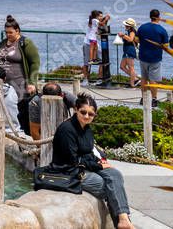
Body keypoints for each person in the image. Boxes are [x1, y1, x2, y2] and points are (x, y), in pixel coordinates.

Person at [50, 93, 134, 229]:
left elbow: (88, 153)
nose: (86, 116)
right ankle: (124, 221)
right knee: (108, 186)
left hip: (84, 167)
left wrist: (100, 162)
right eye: (83, 112)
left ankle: (123, 220)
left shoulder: (87, 129)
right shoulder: (67, 130)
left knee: (115, 175)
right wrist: (98, 165)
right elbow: (72, 160)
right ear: (76, 109)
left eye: (91, 114)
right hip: (68, 171)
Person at [0, 16, 40, 133]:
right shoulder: (3, 43)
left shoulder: (25, 43)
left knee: (18, 110)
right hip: (0, 82)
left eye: (11, 32)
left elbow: (35, 63)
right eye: (6, 32)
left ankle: (20, 134)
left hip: (19, 83)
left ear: (17, 31)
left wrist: (31, 82)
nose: (8, 35)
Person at [135, 9, 170, 107]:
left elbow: (136, 40)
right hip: (155, 57)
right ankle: (154, 99)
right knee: (153, 80)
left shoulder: (142, 27)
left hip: (143, 56)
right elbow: (166, 46)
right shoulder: (162, 30)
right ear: (159, 17)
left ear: (150, 16)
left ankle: (143, 98)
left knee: (144, 78)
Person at [83, 10, 105, 84]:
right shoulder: (94, 21)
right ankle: (86, 79)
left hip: (95, 43)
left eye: (102, 16)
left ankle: (99, 78)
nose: (101, 17)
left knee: (102, 60)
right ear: (96, 16)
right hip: (87, 43)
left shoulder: (93, 21)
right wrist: (106, 19)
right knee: (86, 62)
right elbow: (101, 24)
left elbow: (99, 30)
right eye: (100, 16)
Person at [117, 19, 140, 88]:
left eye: (126, 25)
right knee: (122, 66)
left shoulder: (132, 31)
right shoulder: (129, 31)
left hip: (130, 50)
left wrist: (123, 35)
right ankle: (135, 78)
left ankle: (132, 84)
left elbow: (130, 39)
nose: (125, 26)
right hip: (127, 50)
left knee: (131, 67)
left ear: (129, 26)